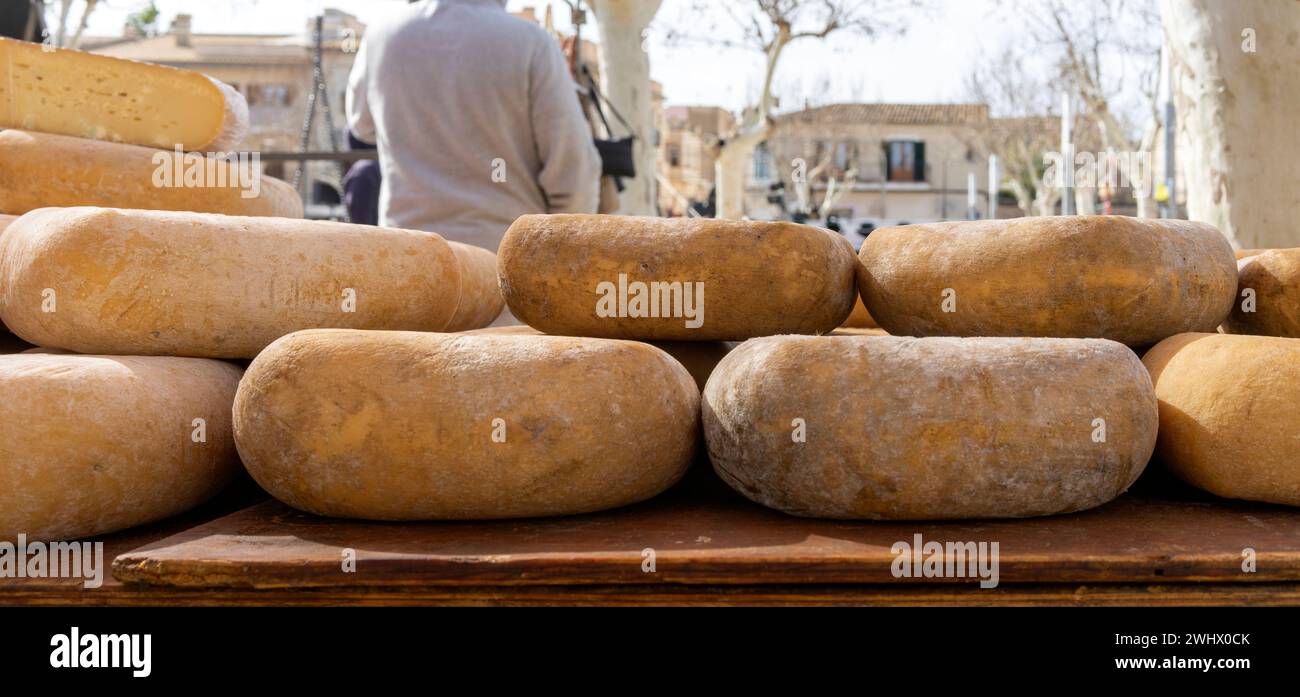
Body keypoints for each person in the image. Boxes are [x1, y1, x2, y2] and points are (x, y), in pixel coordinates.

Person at [346, 0, 602, 255]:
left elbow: (361, 125)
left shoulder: (381, 37)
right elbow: (574, 171)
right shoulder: (531, 42)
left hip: (409, 258)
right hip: (507, 261)